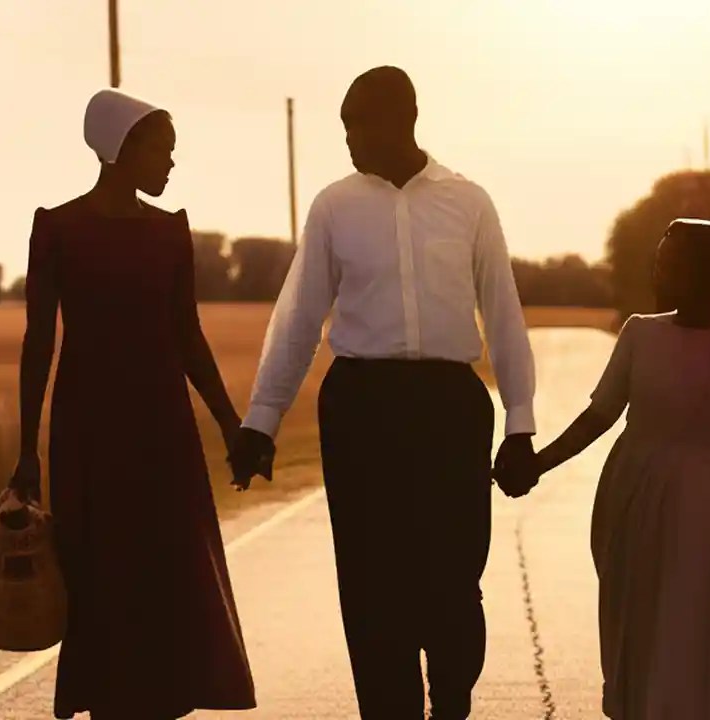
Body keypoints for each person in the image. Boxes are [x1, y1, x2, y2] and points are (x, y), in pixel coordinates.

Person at [227, 66, 538, 719]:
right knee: (371, 585)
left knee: (454, 578)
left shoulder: (469, 201)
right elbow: (299, 317)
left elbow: (502, 311)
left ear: (400, 120)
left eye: (354, 124)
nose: (346, 139)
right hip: (362, 407)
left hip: (449, 406)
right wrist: (261, 420)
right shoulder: (335, 206)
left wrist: (519, 424)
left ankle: (452, 697)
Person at [9, 88, 255, 719]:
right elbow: (38, 344)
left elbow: (188, 337)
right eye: (162, 151)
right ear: (121, 149)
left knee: (166, 576)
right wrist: (25, 454)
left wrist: (231, 426)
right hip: (87, 432)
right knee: (102, 578)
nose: (170, 165)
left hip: (162, 430)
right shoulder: (58, 228)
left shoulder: (170, 233)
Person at [533, 219, 710, 719]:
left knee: (686, 618)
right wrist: (536, 465)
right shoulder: (640, 332)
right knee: (630, 613)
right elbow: (600, 414)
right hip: (631, 490)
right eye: (661, 260)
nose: (661, 270)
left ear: (708, 273)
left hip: (702, 504)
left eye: (673, 261)